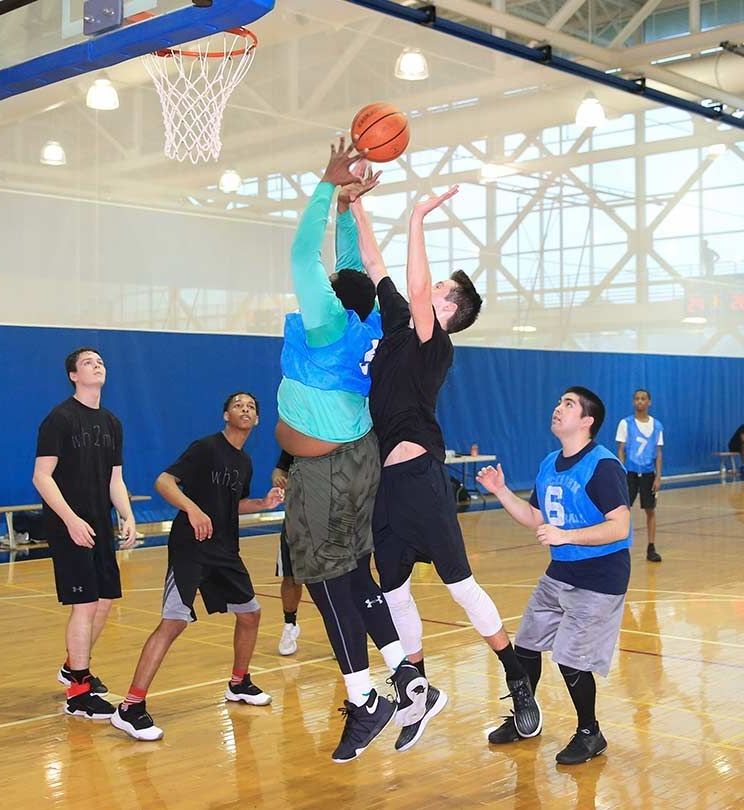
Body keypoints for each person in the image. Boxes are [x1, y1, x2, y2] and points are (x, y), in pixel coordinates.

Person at [349, 182, 538, 751]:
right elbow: (377, 264)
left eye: (438, 289)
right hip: (384, 484)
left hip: (421, 479)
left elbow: (409, 280)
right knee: (394, 592)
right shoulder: (400, 324)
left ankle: (516, 676)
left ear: (449, 309)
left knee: (460, 586)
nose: (428, 288)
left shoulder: (436, 345)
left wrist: (418, 216)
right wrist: (356, 203)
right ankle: (418, 691)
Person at [278, 140, 425, 763]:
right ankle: (405, 676)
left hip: (329, 469)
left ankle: (365, 698)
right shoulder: (365, 320)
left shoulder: (329, 323)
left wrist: (322, 187)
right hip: (351, 460)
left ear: (336, 297)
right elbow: (344, 266)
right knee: (350, 573)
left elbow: (300, 259)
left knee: (324, 575)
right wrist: (344, 205)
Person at [110, 392, 285, 740]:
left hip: (224, 549)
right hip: (192, 545)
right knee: (174, 622)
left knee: (250, 614)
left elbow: (233, 505)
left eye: (251, 406)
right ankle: (130, 707)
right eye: (238, 405)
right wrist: (192, 509)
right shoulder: (206, 448)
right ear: (225, 415)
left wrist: (263, 503)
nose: (245, 409)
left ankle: (239, 683)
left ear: (258, 420)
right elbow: (163, 481)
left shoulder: (245, 462)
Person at [477, 386, 632, 766]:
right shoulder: (550, 463)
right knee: (526, 646)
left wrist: (567, 536)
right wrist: (500, 492)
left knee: (572, 659)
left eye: (568, 404)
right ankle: (525, 721)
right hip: (560, 572)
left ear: (587, 421)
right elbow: (535, 518)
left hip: (599, 577)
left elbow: (621, 527)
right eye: (559, 402)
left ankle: (590, 733)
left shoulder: (602, 465)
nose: (558, 408)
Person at [33, 346, 139, 720]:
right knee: (86, 604)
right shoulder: (59, 419)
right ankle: (78, 692)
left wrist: (127, 515)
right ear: (73, 375)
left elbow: (116, 478)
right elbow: (41, 476)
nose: (98, 365)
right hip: (70, 527)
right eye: (88, 362)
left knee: (105, 600)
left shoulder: (112, 423)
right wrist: (70, 520)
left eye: (101, 361)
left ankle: (72, 667)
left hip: (100, 525)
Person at [615, 388, 663, 563]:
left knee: (650, 510)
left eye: (643, 399)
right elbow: (621, 449)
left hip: (649, 473)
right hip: (630, 473)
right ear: (633, 401)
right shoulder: (625, 423)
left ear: (649, 402)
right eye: (637, 398)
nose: (640, 401)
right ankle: (620, 546)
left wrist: (658, 477)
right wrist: (621, 472)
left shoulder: (657, 426)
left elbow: (658, 452)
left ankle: (651, 547)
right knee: (622, 510)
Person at [271, 450, 304, 656]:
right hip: (295, 519)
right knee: (290, 577)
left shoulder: (335, 436)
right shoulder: (295, 441)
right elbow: (279, 470)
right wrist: (278, 478)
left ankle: (341, 630)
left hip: (330, 519)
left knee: (333, 581)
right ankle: (289, 625)